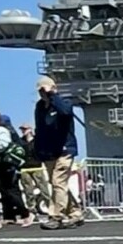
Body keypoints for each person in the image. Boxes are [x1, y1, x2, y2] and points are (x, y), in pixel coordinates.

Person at [30, 75, 84, 229]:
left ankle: (56, 216)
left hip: (64, 149)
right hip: (49, 151)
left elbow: (66, 113)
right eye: (40, 91)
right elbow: (40, 129)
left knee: (58, 182)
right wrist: (38, 150)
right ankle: (75, 213)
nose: (42, 94)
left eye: (44, 90)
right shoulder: (40, 107)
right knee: (58, 185)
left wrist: (53, 95)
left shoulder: (63, 102)